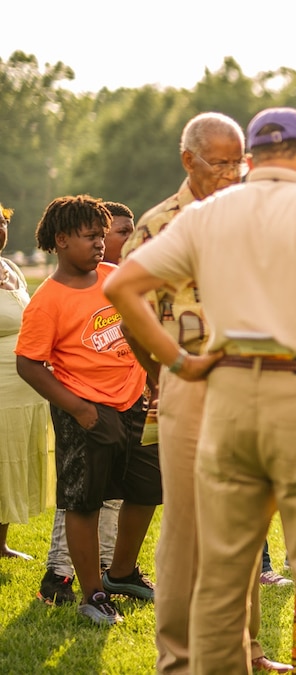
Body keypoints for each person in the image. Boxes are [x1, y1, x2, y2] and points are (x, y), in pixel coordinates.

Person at [105, 106, 296, 674]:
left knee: (220, 578)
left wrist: (177, 362)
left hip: (228, 396)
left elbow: (122, 285)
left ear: (252, 157)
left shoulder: (206, 214)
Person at [120, 111, 293, 673]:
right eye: (219, 161)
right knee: (189, 532)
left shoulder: (252, 213)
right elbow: (130, 312)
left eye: (238, 160)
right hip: (192, 386)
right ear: (187, 159)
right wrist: (172, 366)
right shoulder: (160, 225)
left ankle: (247, 650)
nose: (231, 172)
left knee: (246, 523)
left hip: (256, 385)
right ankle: (179, 657)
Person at [14, 195, 160, 626]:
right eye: (89, 236)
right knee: (85, 502)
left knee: (148, 488)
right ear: (61, 240)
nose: (100, 244)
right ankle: (92, 594)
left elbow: (135, 332)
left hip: (134, 399)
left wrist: (153, 381)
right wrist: (79, 410)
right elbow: (28, 364)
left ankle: (121, 573)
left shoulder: (114, 278)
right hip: (88, 410)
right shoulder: (48, 300)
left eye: (102, 235)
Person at [0, 201, 49, 560]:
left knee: (12, 462)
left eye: (1, 223)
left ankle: (0, 544)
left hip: (25, 388)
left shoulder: (11, 267)